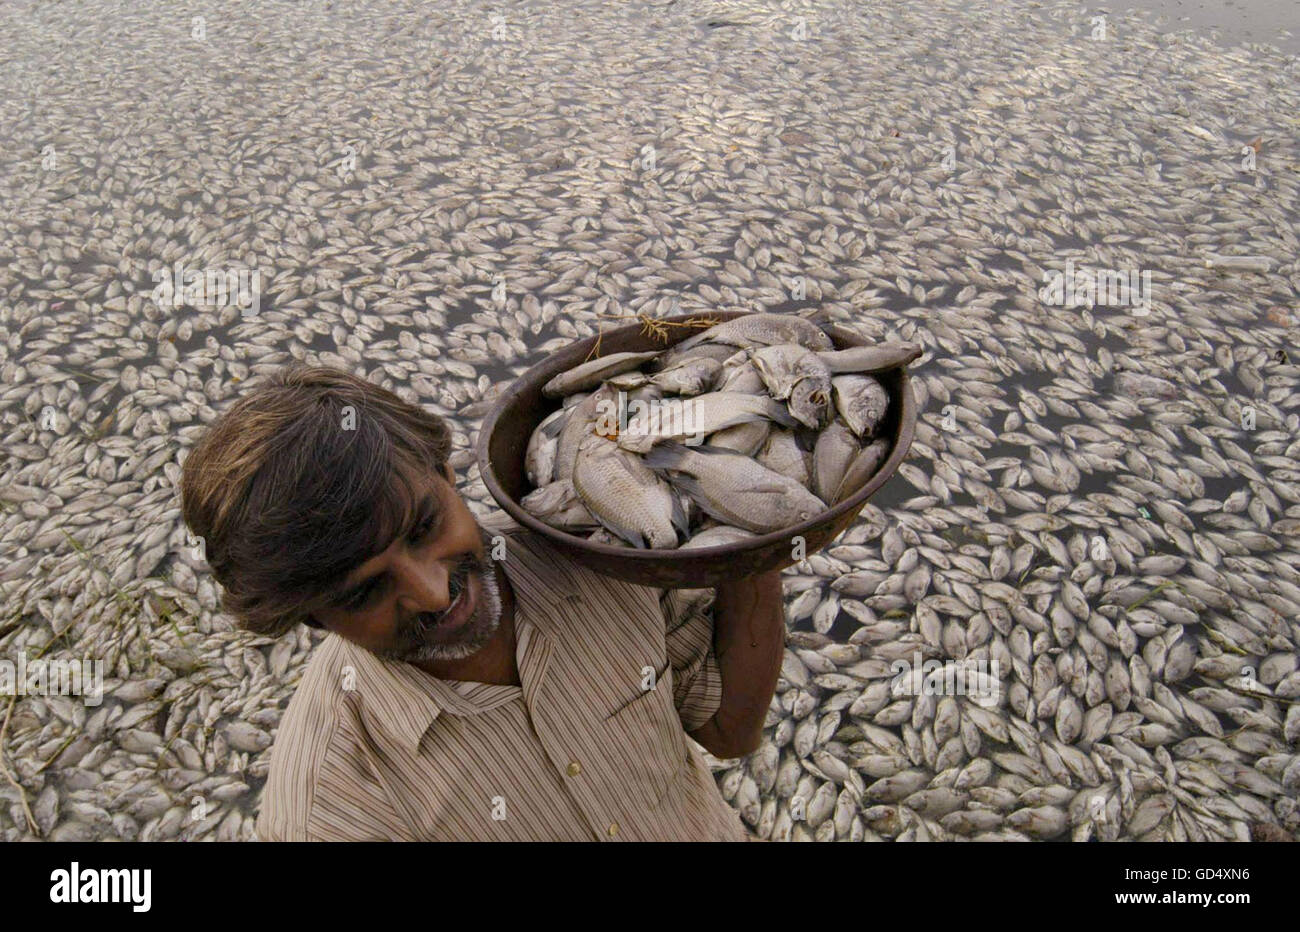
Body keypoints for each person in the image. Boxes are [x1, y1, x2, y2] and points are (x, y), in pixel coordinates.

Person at [180, 365, 786, 841]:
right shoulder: (327, 807)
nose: (432, 592)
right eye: (366, 591)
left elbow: (728, 729)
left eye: (424, 528)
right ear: (315, 618)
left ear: (444, 473)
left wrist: (751, 537)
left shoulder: (603, 557)